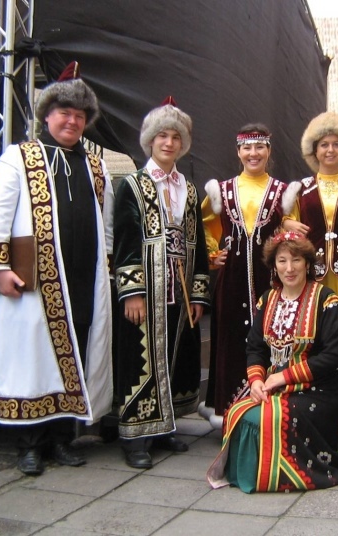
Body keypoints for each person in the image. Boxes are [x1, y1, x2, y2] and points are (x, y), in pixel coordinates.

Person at [0, 61, 114, 476]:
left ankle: (62, 438)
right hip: (34, 280)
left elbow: (105, 221)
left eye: (79, 115)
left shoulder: (95, 165)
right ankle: (29, 444)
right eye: (64, 113)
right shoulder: (19, 157)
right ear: (47, 115)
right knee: (32, 358)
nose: (71, 121)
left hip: (82, 278)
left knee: (75, 353)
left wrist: (106, 264)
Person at [207, 231, 338, 492]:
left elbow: (333, 356)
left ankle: (274, 475)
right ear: (274, 266)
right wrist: (257, 380)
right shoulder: (267, 299)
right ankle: (255, 472)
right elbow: (255, 346)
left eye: (296, 260)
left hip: (320, 390)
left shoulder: (327, 301)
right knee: (238, 413)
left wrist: (283, 377)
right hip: (275, 385)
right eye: (282, 261)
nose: (289, 268)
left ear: (307, 263)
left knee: (269, 419)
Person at [113, 97, 210, 469]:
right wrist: (132, 292)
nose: (168, 143)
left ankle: (164, 427)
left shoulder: (187, 188)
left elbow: (197, 244)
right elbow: (123, 241)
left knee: (170, 358)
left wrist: (198, 293)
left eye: (175, 137)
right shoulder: (134, 186)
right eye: (161, 137)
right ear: (150, 142)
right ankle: (135, 436)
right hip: (146, 290)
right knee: (141, 360)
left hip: (177, 289)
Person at [282, 111, 338, 436]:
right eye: (323, 145)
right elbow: (284, 234)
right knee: (316, 342)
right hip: (313, 281)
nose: (329, 150)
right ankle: (317, 414)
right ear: (313, 151)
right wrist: (286, 223)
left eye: (335, 145)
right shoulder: (299, 191)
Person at [200, 124, 289, 428]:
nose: (254, 154)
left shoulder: (282, 192)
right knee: (231, 340)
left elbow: (293, 231)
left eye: (259, 147)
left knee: (271, 337)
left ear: (268, 151)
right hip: (232, 281)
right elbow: (203, 227)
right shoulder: (220, 191)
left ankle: (267, 408)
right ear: (238, 152)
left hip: (270, 279)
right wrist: (213, 254)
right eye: (247, 148)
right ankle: (229, 410)